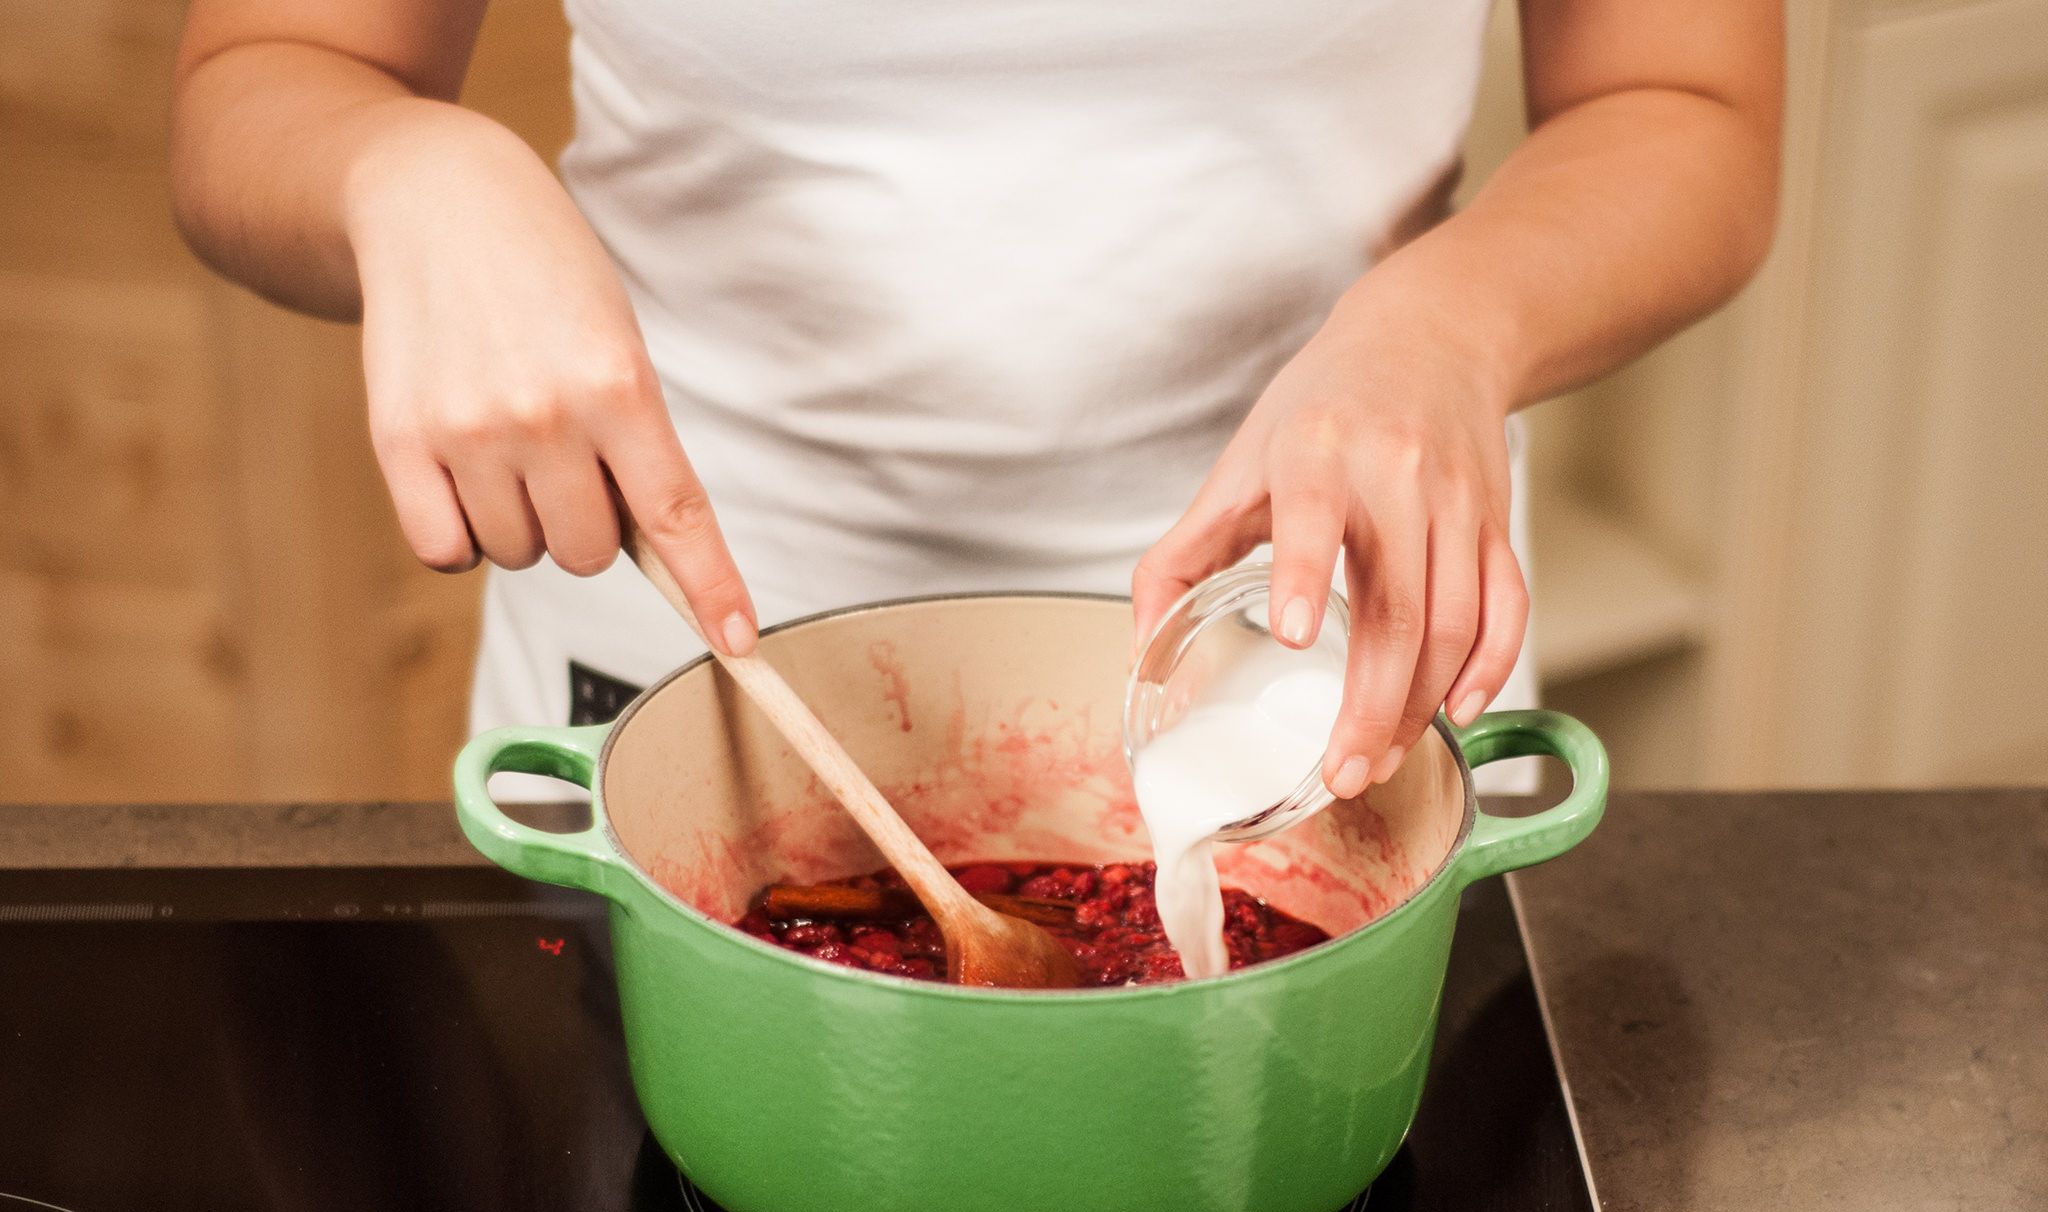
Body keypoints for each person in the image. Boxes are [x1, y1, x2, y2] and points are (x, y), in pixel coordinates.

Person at [170, 0, 1779, 798]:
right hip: (683, 680)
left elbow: (1682, 103)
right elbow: (264, 72)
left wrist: (1451, 321)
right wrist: (406, 165)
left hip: (1312, 682)